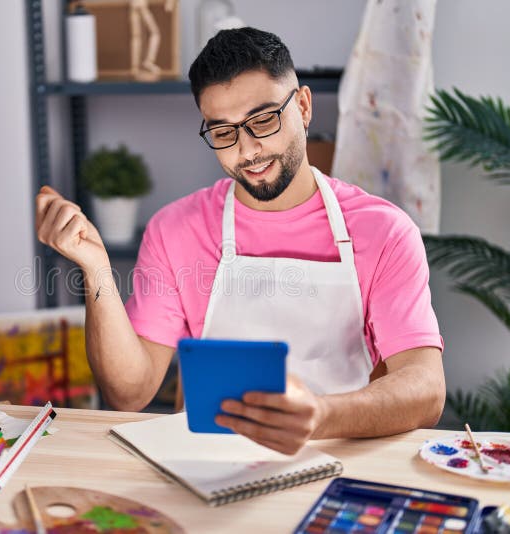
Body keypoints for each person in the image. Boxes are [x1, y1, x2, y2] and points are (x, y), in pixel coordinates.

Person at [36, 27, 445, 455]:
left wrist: (320, 415)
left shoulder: (383, 231)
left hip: (338, 463)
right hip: (208, 470)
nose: (248, 150)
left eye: (263, 120)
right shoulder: (175, 229)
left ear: (303, 107)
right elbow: (130, 393)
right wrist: (95, 267)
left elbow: (426, 387)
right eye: (224, 132)